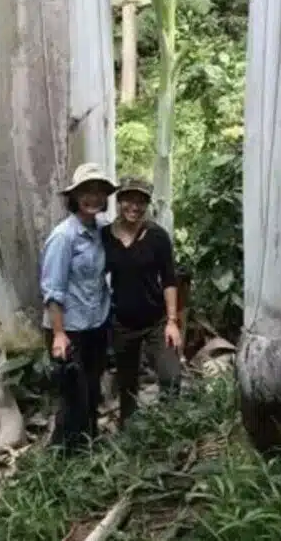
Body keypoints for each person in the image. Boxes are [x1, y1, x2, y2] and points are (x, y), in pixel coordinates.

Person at [40, 162, 117, 453]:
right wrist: (59, 335)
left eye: (98, 192)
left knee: (93, 391)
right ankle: (66, 456)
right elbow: (52, 290)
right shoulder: (64, 236)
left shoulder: (100, 230)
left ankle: (89, 444)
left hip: (95, 324)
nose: (93, 197)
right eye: (86, 191)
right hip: (68, 329)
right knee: (75, 396)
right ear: (74, 197)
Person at [102, 176, 182, 428]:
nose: (134, 207)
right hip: (122, 322)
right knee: (127, 386)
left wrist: (172, 321)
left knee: (171, 376)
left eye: (141, 201)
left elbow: (169, 279)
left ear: (147, 205)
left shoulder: (157, 236)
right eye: (129, 199)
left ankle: (170, 429)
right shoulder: (104, 236)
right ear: (119, 200)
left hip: (156, 319)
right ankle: (130, 437)